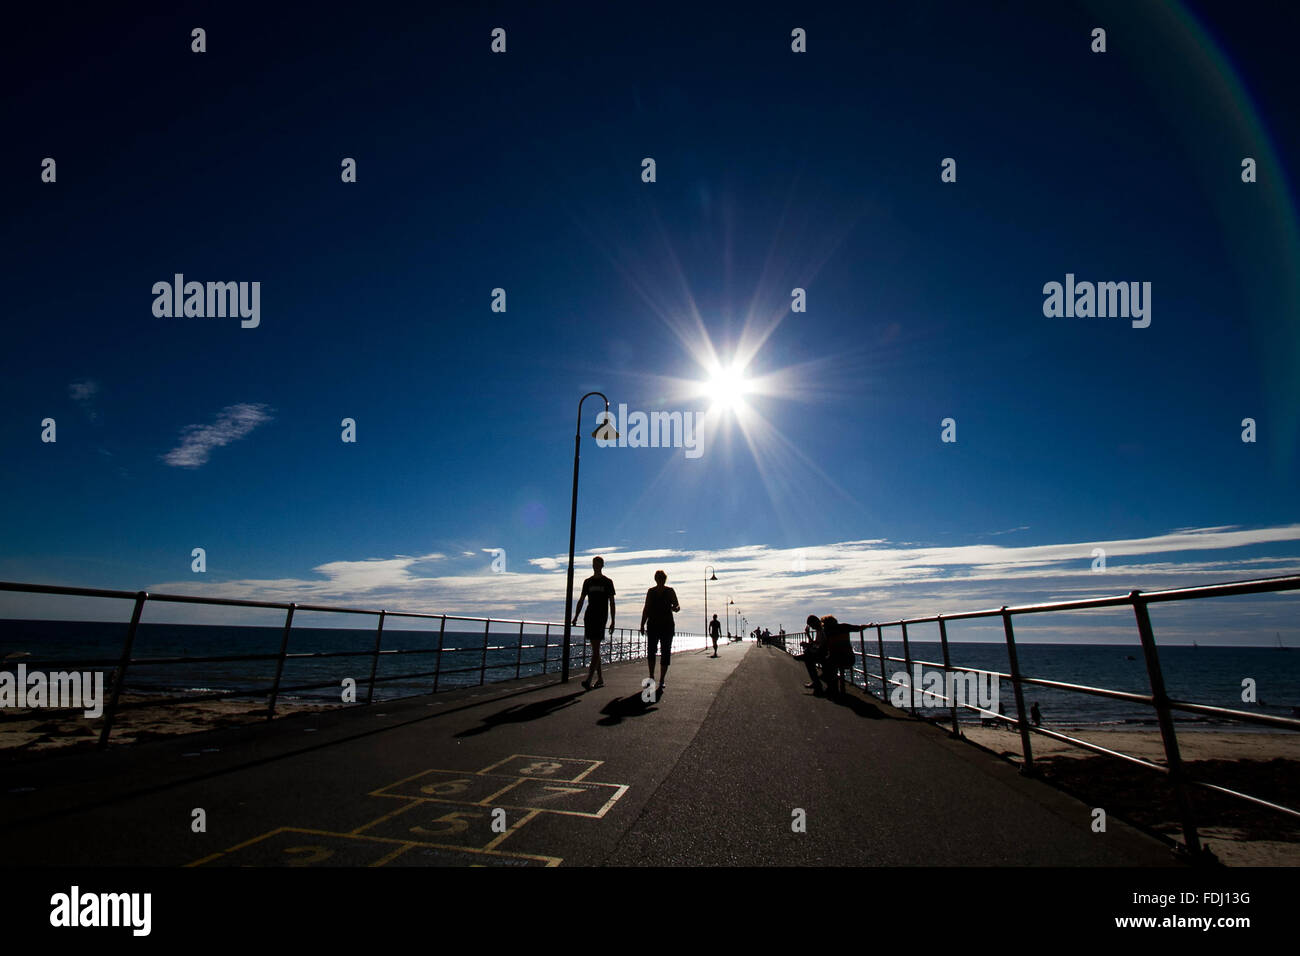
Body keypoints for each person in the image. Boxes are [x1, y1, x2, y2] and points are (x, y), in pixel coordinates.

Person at [572, 556, 615, 690]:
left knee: (595, 648)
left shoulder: (607, 582)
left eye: (597, 564)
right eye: (593, 564)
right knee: (595, 648)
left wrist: (613, 621)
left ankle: (589, 679)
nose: (595, 566)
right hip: (589, 616)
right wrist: (576, 616)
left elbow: (612, 602)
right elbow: (581, 600)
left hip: (601, 616)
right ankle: (600, 679)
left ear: (602, 565)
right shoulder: (588, 582)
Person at [799, 614, 866, 696]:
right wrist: (868, 625)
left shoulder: (827, 632)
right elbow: (858, 628)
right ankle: (828, 686)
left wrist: (809, 644)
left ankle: (825, 685)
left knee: (820, 661)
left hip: (835, 659)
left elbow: (822, 647)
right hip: (850, 658)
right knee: (824, 660)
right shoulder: (844, 626)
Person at [640, 570, 679, 701]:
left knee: (665, 652)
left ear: (664, 579)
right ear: (656, 579)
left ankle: (662, 679)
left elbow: (677, 605)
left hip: (667, 625)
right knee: (651, 651)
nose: (660, 579)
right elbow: (646, 608)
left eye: (661, 577)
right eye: (658, 577)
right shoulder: (651, 591)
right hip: (653, 625)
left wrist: (675, 608)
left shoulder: (670, 591)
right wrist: (642, 624)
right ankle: (651, 676)